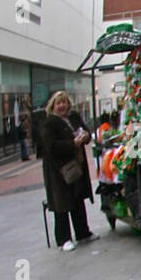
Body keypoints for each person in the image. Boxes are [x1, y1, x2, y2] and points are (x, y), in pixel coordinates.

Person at [41, 91, 96, 251]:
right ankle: (63, 238)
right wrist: (73, 144)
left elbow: (87, 133)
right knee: (62, 204)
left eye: (64, 102)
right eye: (58, 103)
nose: (62, 105)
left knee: (77, 198)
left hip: (76, 166)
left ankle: (83, 232)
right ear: (53, 106)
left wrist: (85, 137)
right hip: (59, 170)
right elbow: (51, 147)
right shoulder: (49, 123)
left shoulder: (74, 117)